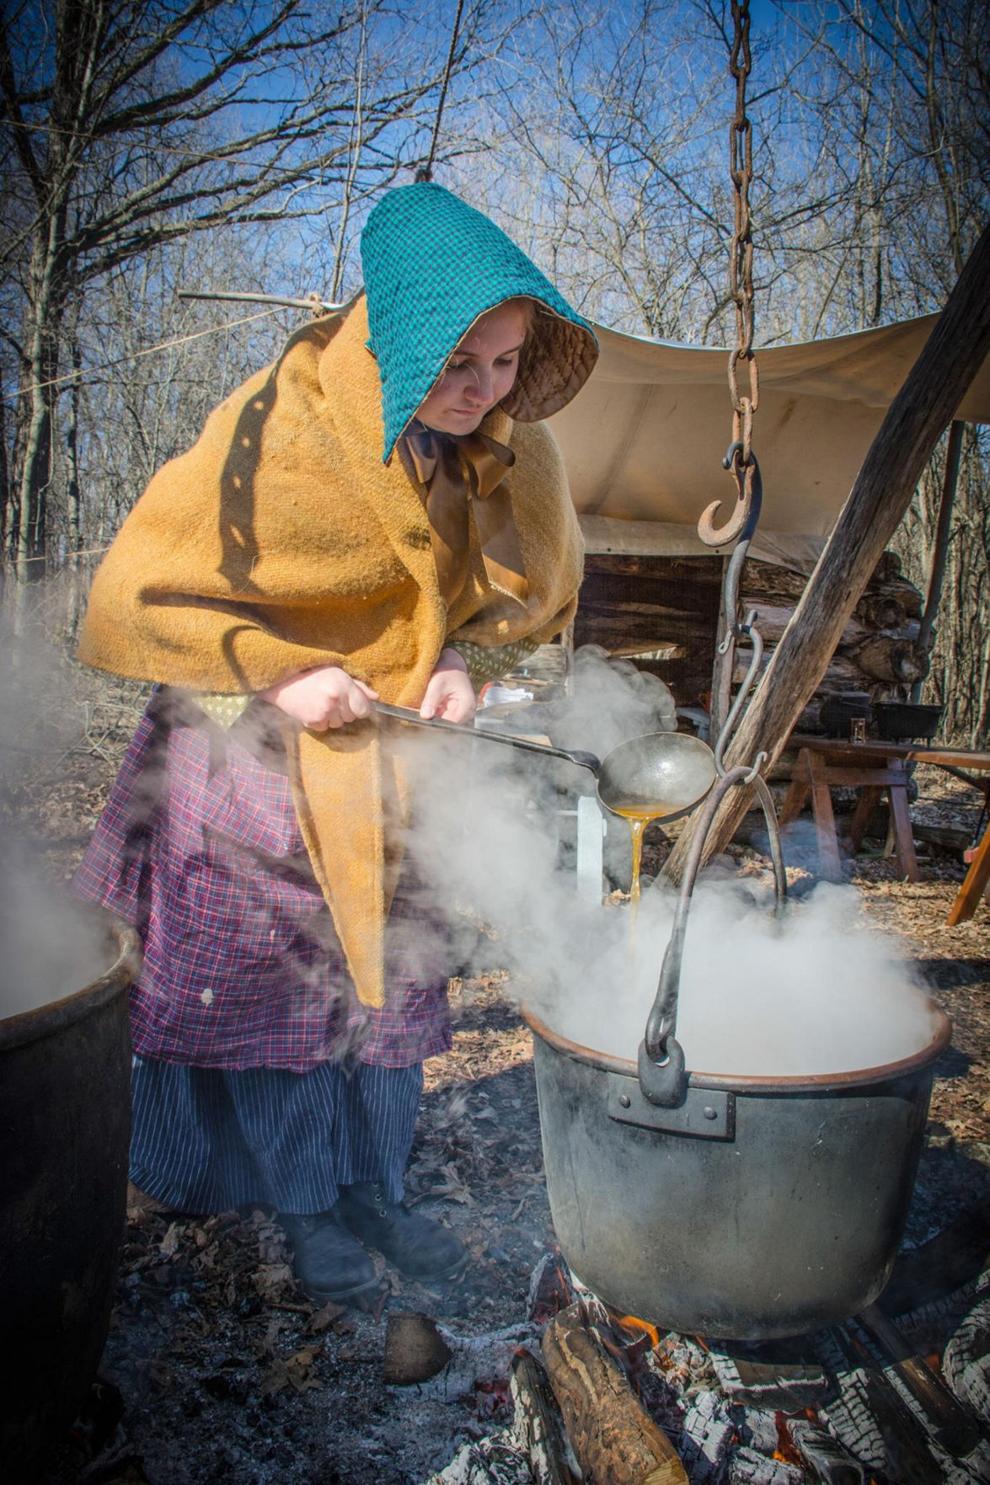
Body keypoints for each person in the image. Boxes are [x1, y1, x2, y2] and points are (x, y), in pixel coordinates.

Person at [74, 182, 598, 1306]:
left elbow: (518, 600)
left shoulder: (511, 446)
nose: (485, 390)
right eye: (459, 362)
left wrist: (459, 660)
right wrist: (282, 675)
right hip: (251, 764)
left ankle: (373, 1186)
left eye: (507, 361)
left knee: (389, 979)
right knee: (277, 986)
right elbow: (147, 595)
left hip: (394, 761)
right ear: (398, 340)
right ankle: (299, 1200)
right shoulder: (284, 426)